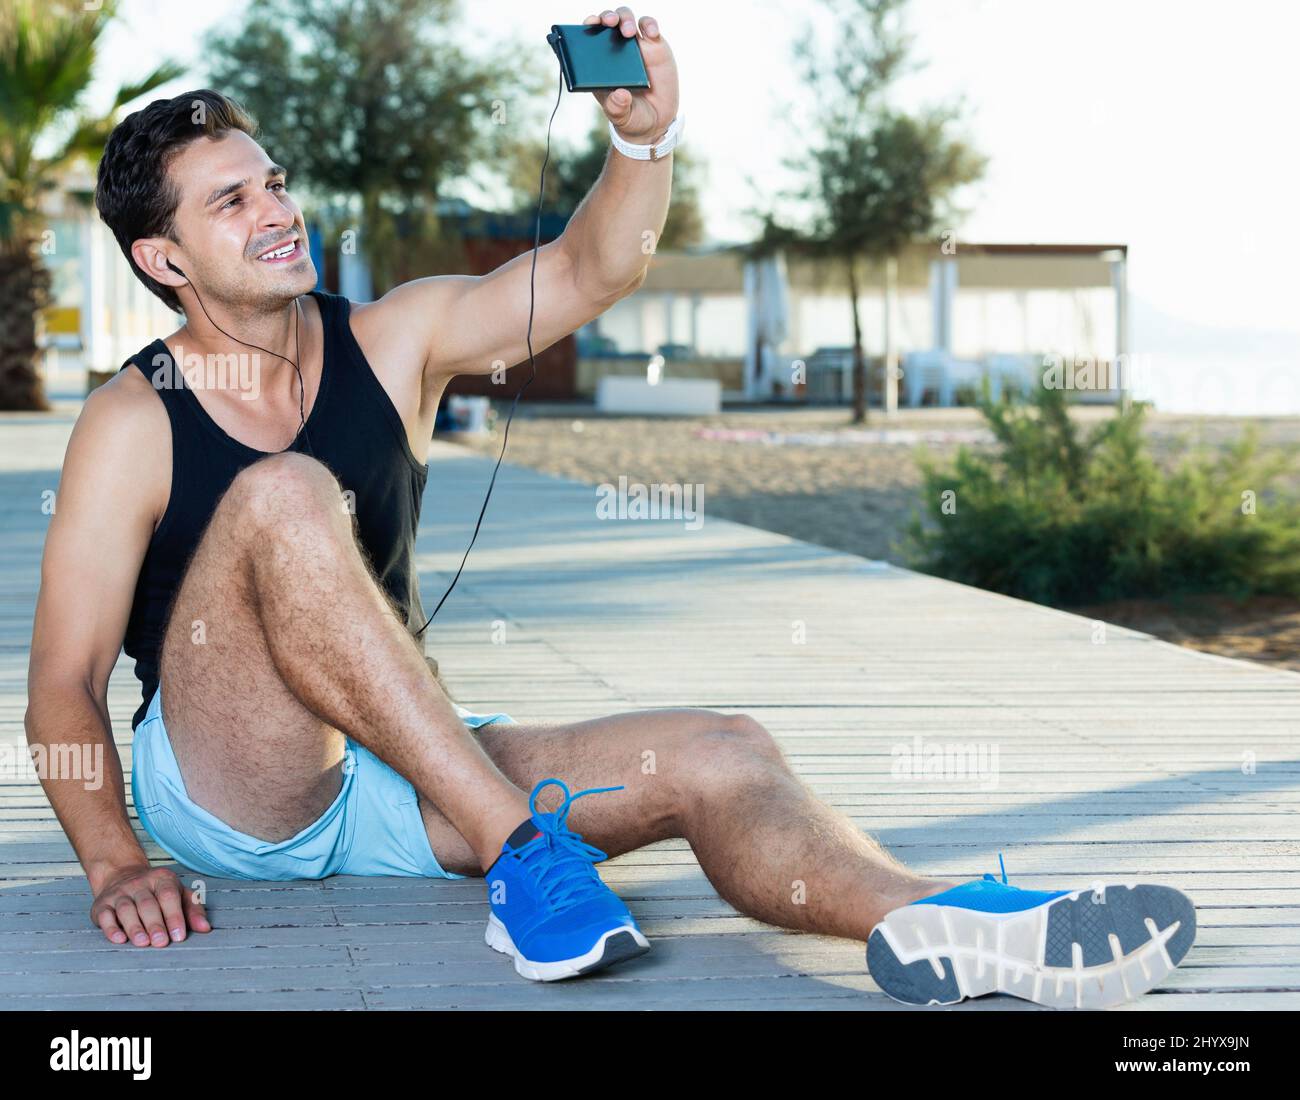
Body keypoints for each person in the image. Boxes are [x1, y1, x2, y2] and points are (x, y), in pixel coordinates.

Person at [24, 7, 1194, 1006]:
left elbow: (590, 270)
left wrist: (647, 142)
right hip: (229, 790)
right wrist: (114, 860)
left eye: (273, 181)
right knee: (282, 493)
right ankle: (518, 848)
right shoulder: (135, 420)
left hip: (391, 767)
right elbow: (62, 683)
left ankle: (941, 917)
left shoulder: (395, 338)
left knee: (723, 749)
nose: (276, 208)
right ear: (163, 259)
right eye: (230, 201)